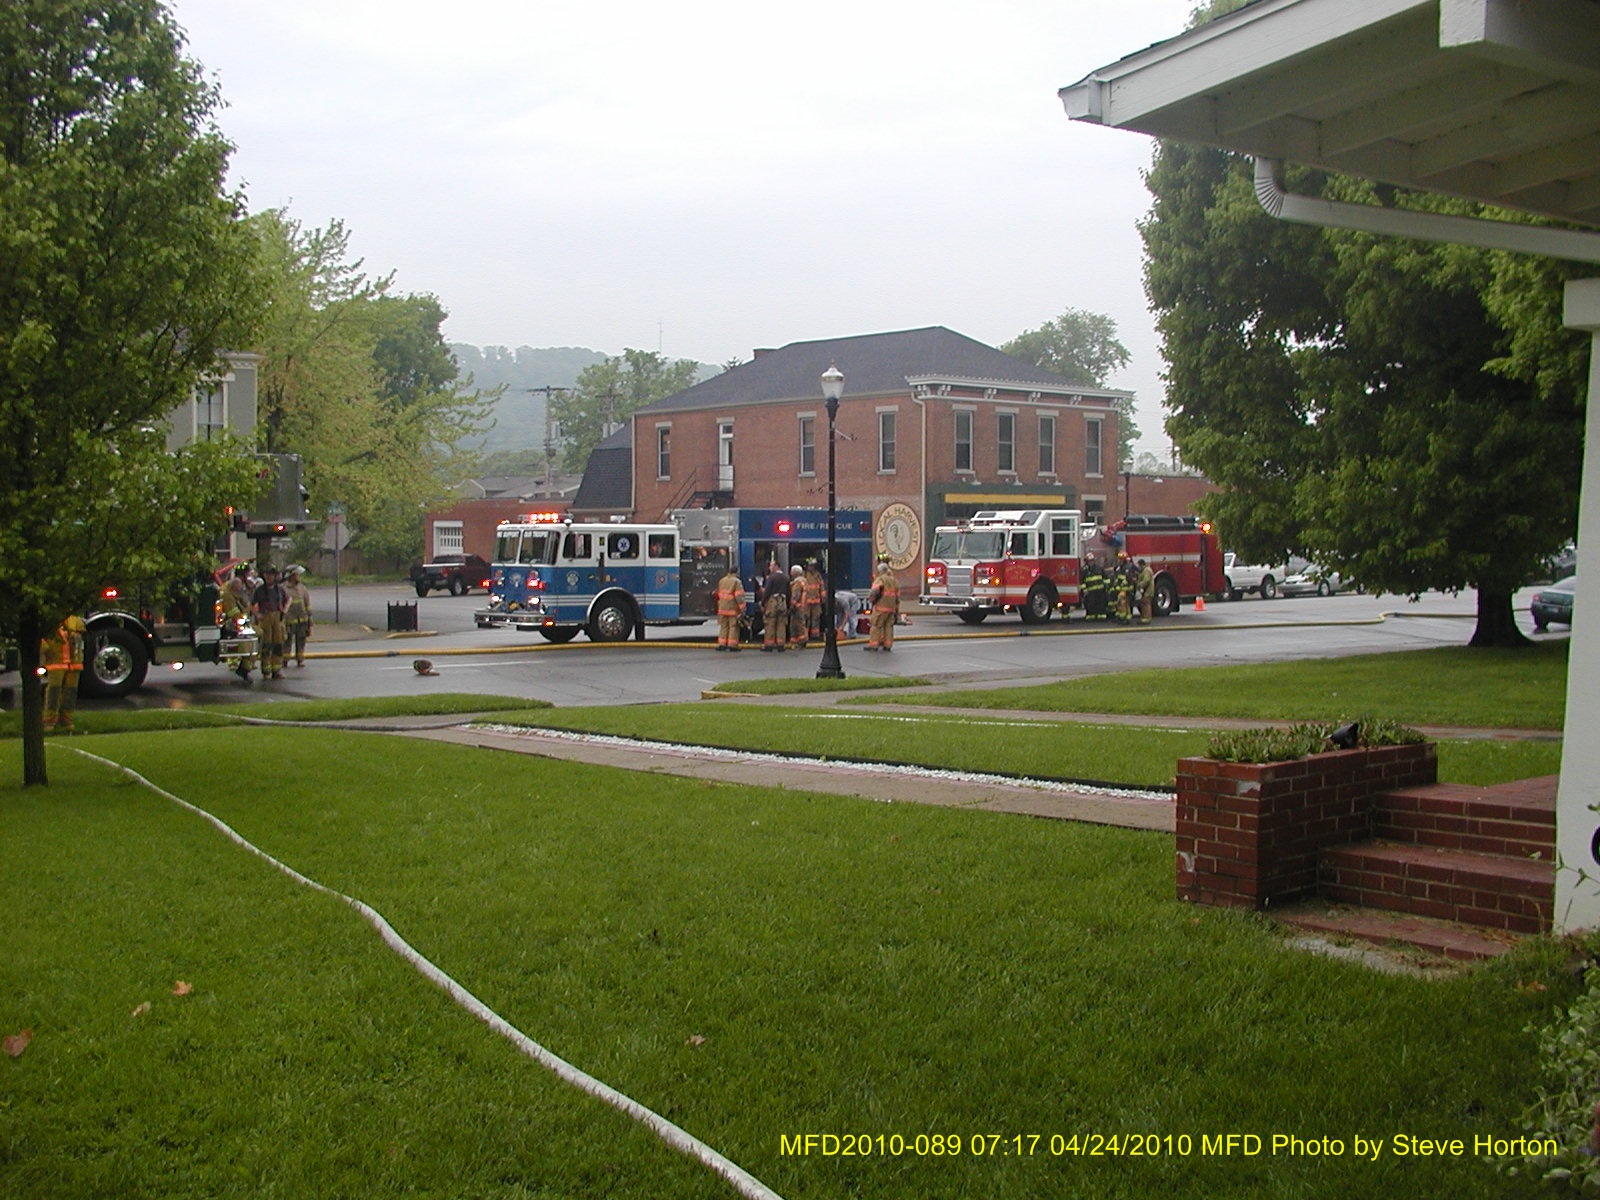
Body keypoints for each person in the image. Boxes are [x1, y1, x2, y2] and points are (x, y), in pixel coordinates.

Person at [40, 613, 86, 731]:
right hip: (56, 661)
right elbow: (40, 638)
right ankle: (49, 721)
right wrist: (45, 649)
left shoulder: (74, 618)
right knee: (54, 691)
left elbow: (81, 635)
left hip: (74, 662)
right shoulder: (48, 619)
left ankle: (66, 720)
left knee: (71, 692)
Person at [251, 564, 290, 679]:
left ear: (275, 576)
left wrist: (284, 611)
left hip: (277, 619)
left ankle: (276, 670)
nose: (269, 577)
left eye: (271, 575)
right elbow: (252, 604)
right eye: (267, 575)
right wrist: (257, 615)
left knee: (278, 645)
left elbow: (288, 600)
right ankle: (266, 671)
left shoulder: (280, 590)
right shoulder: (259, 590)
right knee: (266, 645)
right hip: (266, 619)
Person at [865, 555, 900, 651]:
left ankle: (873, 645)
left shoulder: (881, 579)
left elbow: (874, 591)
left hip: (881, 607)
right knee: (888, 627)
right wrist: (897, 609)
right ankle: (887, 645)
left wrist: (871, 600)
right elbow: (897, 597)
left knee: (876, 626)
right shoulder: (894, 580)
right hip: (891, 608)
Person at [283, 565, 313, 666]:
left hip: (302, 619)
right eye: (296, 574)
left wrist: (310, 620)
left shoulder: (302, 588)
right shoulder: (283, 588)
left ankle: (300, 659)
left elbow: (307, 604)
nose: (298, 577)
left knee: (301, 640)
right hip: (289, 620)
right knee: (287, 640)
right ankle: (285, 660)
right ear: (291, 575)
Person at [713, 563, 744, 651]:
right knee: (733, 627)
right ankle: (732, 645)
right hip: (732, 609)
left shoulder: (722, 580)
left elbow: (719, 594)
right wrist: (742, 608)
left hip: (722, 608)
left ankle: (722, 644)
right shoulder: (736, 582)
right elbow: (739, 596)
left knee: (724, 626)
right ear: (736, 572)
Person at [759, 560, 789, 651]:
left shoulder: (772, 577)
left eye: (771, 566)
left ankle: (769, 645)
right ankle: (780, 644)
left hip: (772, 603)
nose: (769, 568)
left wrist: (763, 602)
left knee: (770, 623)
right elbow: (789, 592)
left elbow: (767, 591)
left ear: (776, 566)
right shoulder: (786, 577)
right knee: (781, 624)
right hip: (783, 602)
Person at [802, 560, 825, 642]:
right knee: (806, 618)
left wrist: (823, 597)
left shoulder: (817, 575)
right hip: (806, 602)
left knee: (816, 618)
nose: (812, 567)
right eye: (810, 566)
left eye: (813, 566)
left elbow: (822, 586)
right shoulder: (804, 575)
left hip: (816, 601)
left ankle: (815, 635)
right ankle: (805, 635)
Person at [1081, 553, 1107, 621]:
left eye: (1092, 560)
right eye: (1089, 561)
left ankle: (1101, 616)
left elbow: (1105, 578)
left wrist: (1105, 587)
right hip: (1090, 591)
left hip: (1100, 590)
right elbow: (1082, 581)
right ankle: (1091, 616)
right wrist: (1084, 589)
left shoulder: (1099, 568)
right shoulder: (1084, 570)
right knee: (1090, 603)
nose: (1091, 562)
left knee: (1101, 603)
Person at [788, 564, 809, 648]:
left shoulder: (797, 582)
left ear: (795, 573)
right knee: (801, 623)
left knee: (797, 624)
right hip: (804, 606)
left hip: (798, 607)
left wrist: (792, 606)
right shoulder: (804, 581)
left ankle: (801, 641)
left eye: (792, 571)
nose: (790, 573)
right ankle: (800, 641)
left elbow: (795, 595)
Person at [1136, 558, 1156, 625]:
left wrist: (1139, 585)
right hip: (1146, 591)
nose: (1138, 567)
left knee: (1146, 605)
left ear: (1141, 565)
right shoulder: (1145, 570)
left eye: (1139, 565)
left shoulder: (1146, 571)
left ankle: (1146, 619)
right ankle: (1145, 618)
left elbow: (1146, 581)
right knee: (1144, 604)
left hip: (1147, 591)